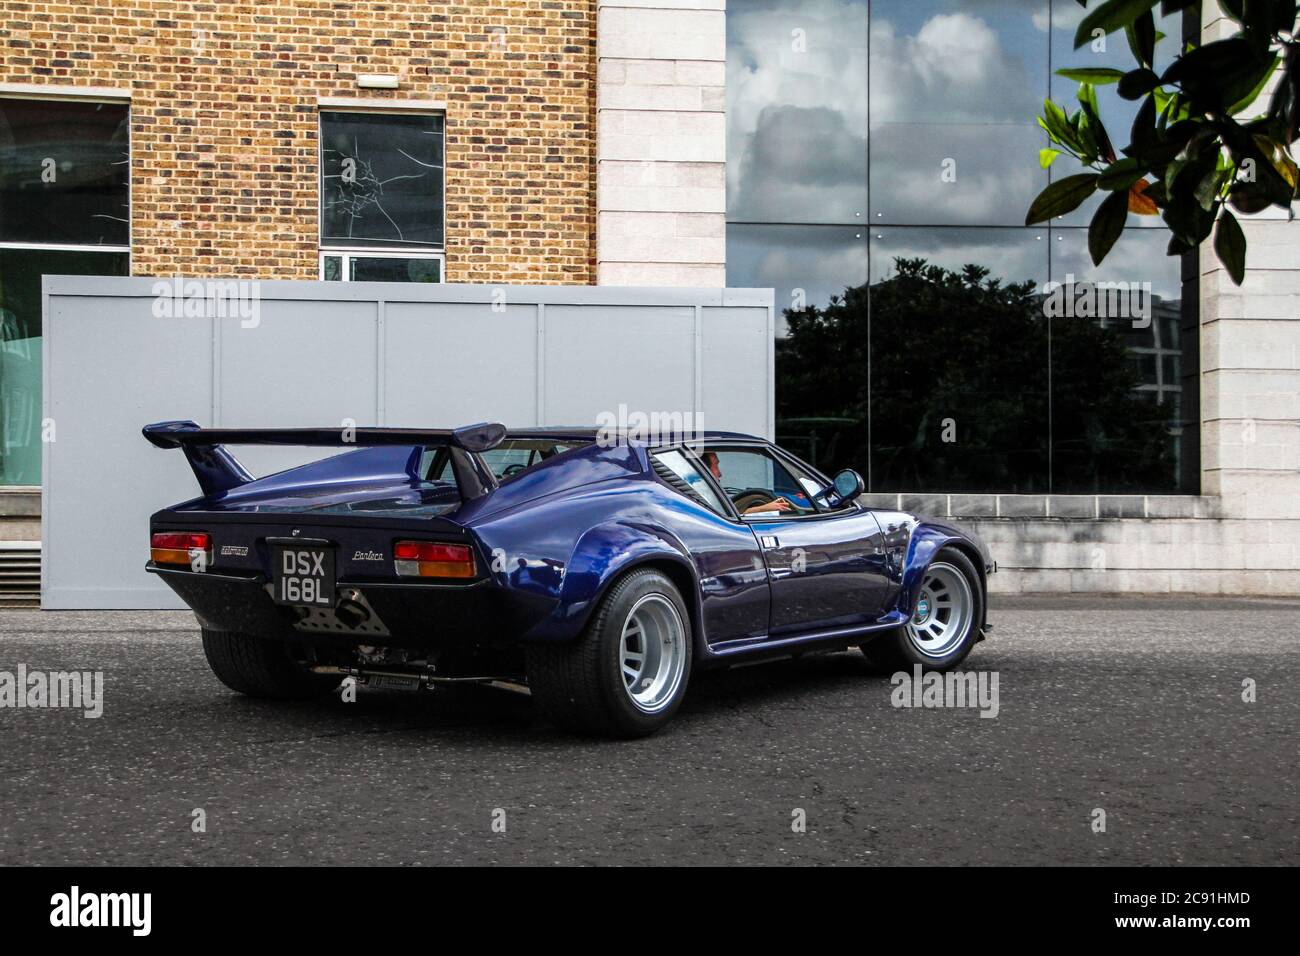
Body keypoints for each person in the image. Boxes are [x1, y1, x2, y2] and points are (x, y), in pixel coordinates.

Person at [700, 451, 794, 515]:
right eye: (716, 466)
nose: (720, 474)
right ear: (703, 470)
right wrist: (764, 509)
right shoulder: (698, 497)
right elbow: (721, 517)